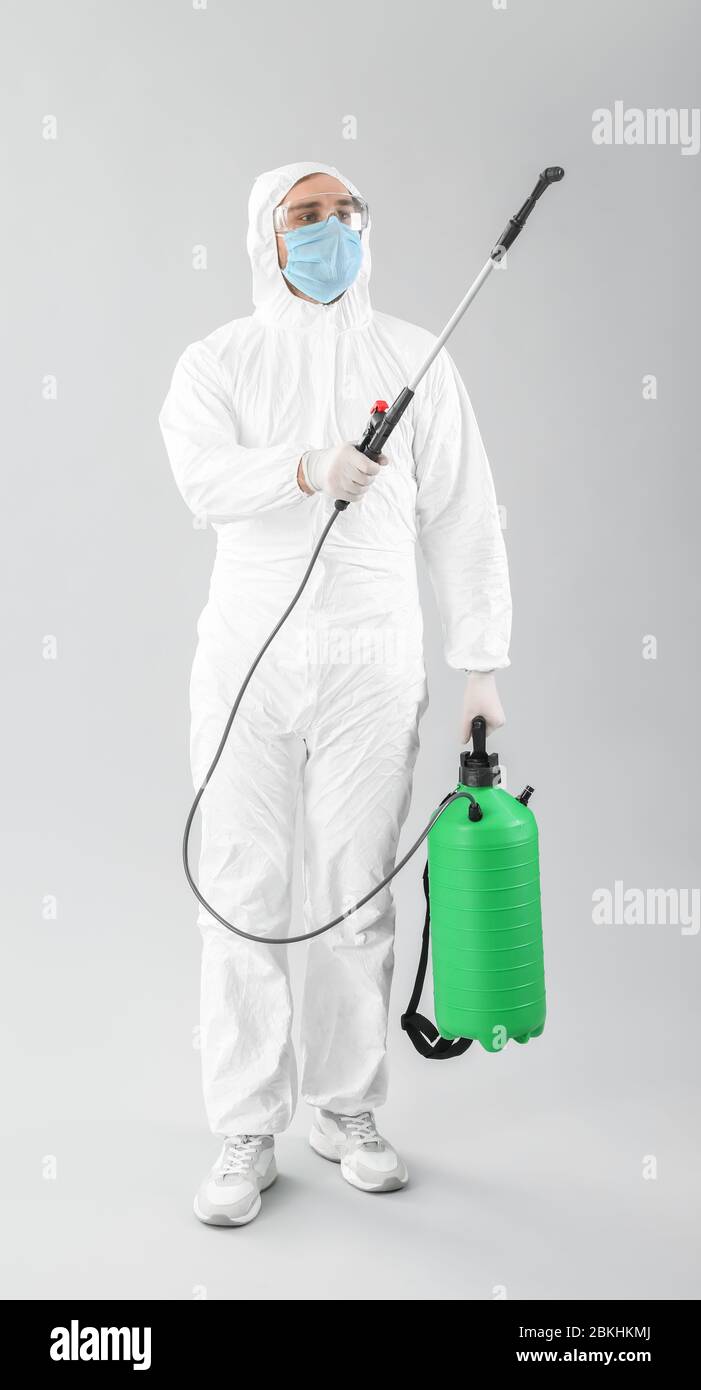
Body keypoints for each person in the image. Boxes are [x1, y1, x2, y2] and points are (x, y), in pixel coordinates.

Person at [159, 161, 511, 1227]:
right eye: (304, 217)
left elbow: (464, 514)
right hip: (247, 665)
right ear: (266, 238)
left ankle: (345, 1110)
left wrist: (479, 661)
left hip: (374, 658)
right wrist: (306, 468)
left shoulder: (415, 356)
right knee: (244, 890)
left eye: (344, 213)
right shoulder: (217, 360)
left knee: (357, 891)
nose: (329, 231)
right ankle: (246, 1126)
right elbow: (200, 480)